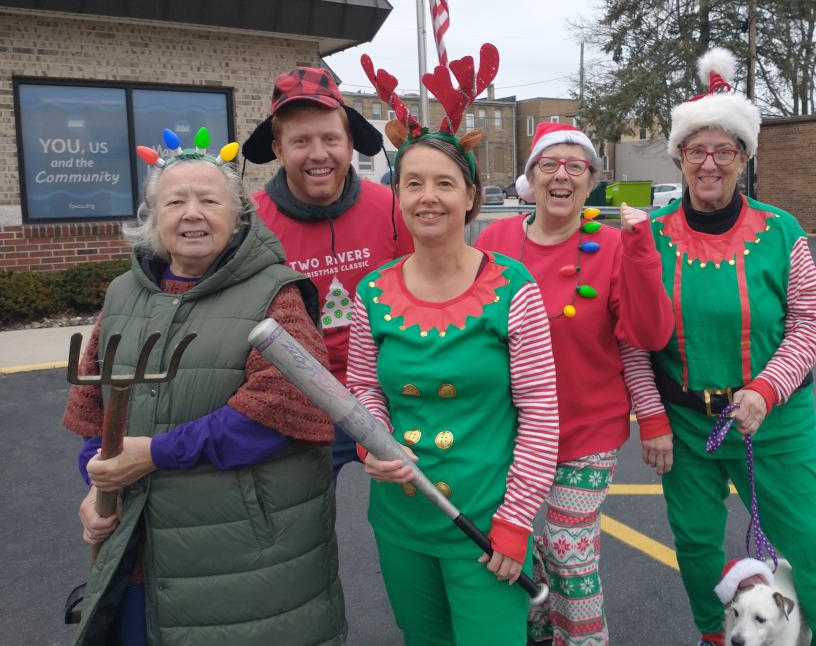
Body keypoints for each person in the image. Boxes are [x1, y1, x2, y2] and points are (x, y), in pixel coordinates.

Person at [62, 142, 346, 645]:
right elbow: (97, 410)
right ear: (153, 217)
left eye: (210, 201)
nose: (192, 214)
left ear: (238, 216)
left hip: (243, 554)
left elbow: (283, 411)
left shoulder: (275, 294)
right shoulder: (121, 295)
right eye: (175, 202)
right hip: (138, 548)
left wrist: (154, 454)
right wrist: (98, 481)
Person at [347, 47, 560, 646]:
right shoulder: (373, 292)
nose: (427, 196)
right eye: (412, 183)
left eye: (444, 183)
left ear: (471, 197)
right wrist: (371, 444)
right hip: (401, 524)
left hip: (487, 530)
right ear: (398, 197)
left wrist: (517, 522)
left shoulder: (513, 289)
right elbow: (363, 386)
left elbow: (542, 414)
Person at [649, 48, 816, 646]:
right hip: (686, 427)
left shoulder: (781, 230)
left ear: (743, 157)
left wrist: (766, 390)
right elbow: (632, 340)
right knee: (693, 546)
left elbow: (812, 323)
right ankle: (718, 637)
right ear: (679, 157)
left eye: (724, 150)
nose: (709, 163)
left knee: (813, 544)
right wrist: (650, 416)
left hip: (778, 422)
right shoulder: (650, 238)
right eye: (696, 150)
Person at [475, 122, 676, 646]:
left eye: (576, 167)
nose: (562, 176)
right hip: (506, 433)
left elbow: (646, 337)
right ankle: (542, 628)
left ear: (591, 183)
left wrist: (641, 252)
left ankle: (585, 639)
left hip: (586, 433)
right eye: (549, 165)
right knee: (505, 546)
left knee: (568, 548)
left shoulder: (611, 245)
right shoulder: (495, 240)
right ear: (531, 177)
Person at [242, 66, 413, 480]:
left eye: (330, 139)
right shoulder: (248, 224)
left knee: (412, 518)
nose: (318, 154)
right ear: (279, 150)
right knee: (300, 532)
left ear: (350, 144)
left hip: (388, 396)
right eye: (301, 141)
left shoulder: (393, 209)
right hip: (297, 405)